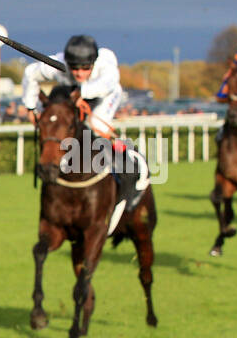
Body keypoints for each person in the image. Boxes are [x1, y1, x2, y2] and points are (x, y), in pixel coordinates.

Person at [21, 35, 150, 228]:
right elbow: (30, 73)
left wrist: (82, 94)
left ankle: (128, 171)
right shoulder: (56, 64)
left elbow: (106, 84)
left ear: (93, 63)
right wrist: (31, 107)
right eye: (74, 68)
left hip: (105, 95)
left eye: (85, 68)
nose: (79, 72)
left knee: (95, 129)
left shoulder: (106, 69)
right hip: (71, 91)